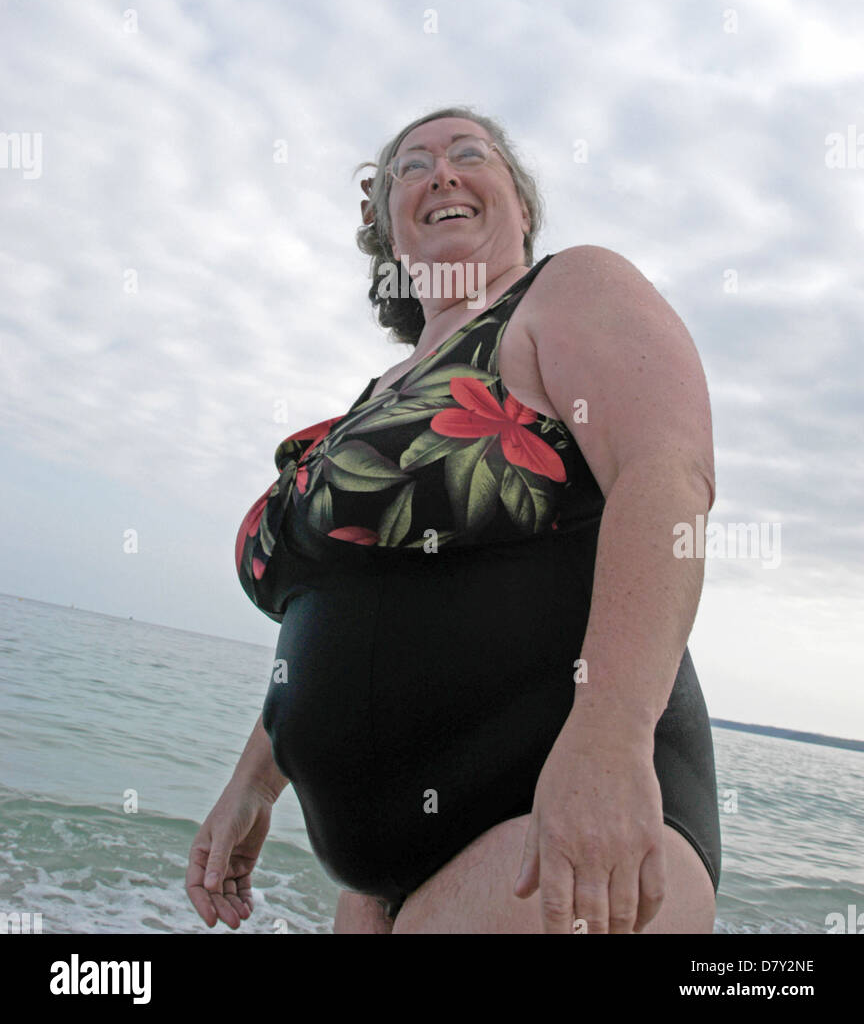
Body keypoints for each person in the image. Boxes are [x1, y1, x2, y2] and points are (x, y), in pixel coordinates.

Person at [186, 105, 721, 934]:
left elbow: (667, 478)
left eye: (470, 154)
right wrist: (254, 781)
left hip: (558, 821)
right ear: (387, 230)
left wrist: (611, 741)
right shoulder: (378, 397)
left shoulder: (567, 290)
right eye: (411, 165)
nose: (441, 171)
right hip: (378, 887)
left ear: (522, 206)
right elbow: (340, 596)